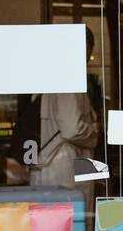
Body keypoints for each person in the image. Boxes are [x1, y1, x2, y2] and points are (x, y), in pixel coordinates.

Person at [29, 26, 99, 189]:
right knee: (74, 211)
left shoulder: (44, 76)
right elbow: (73, 129)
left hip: (46, 160)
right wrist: (95, 132)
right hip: (66, 162)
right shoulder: (69, 78)